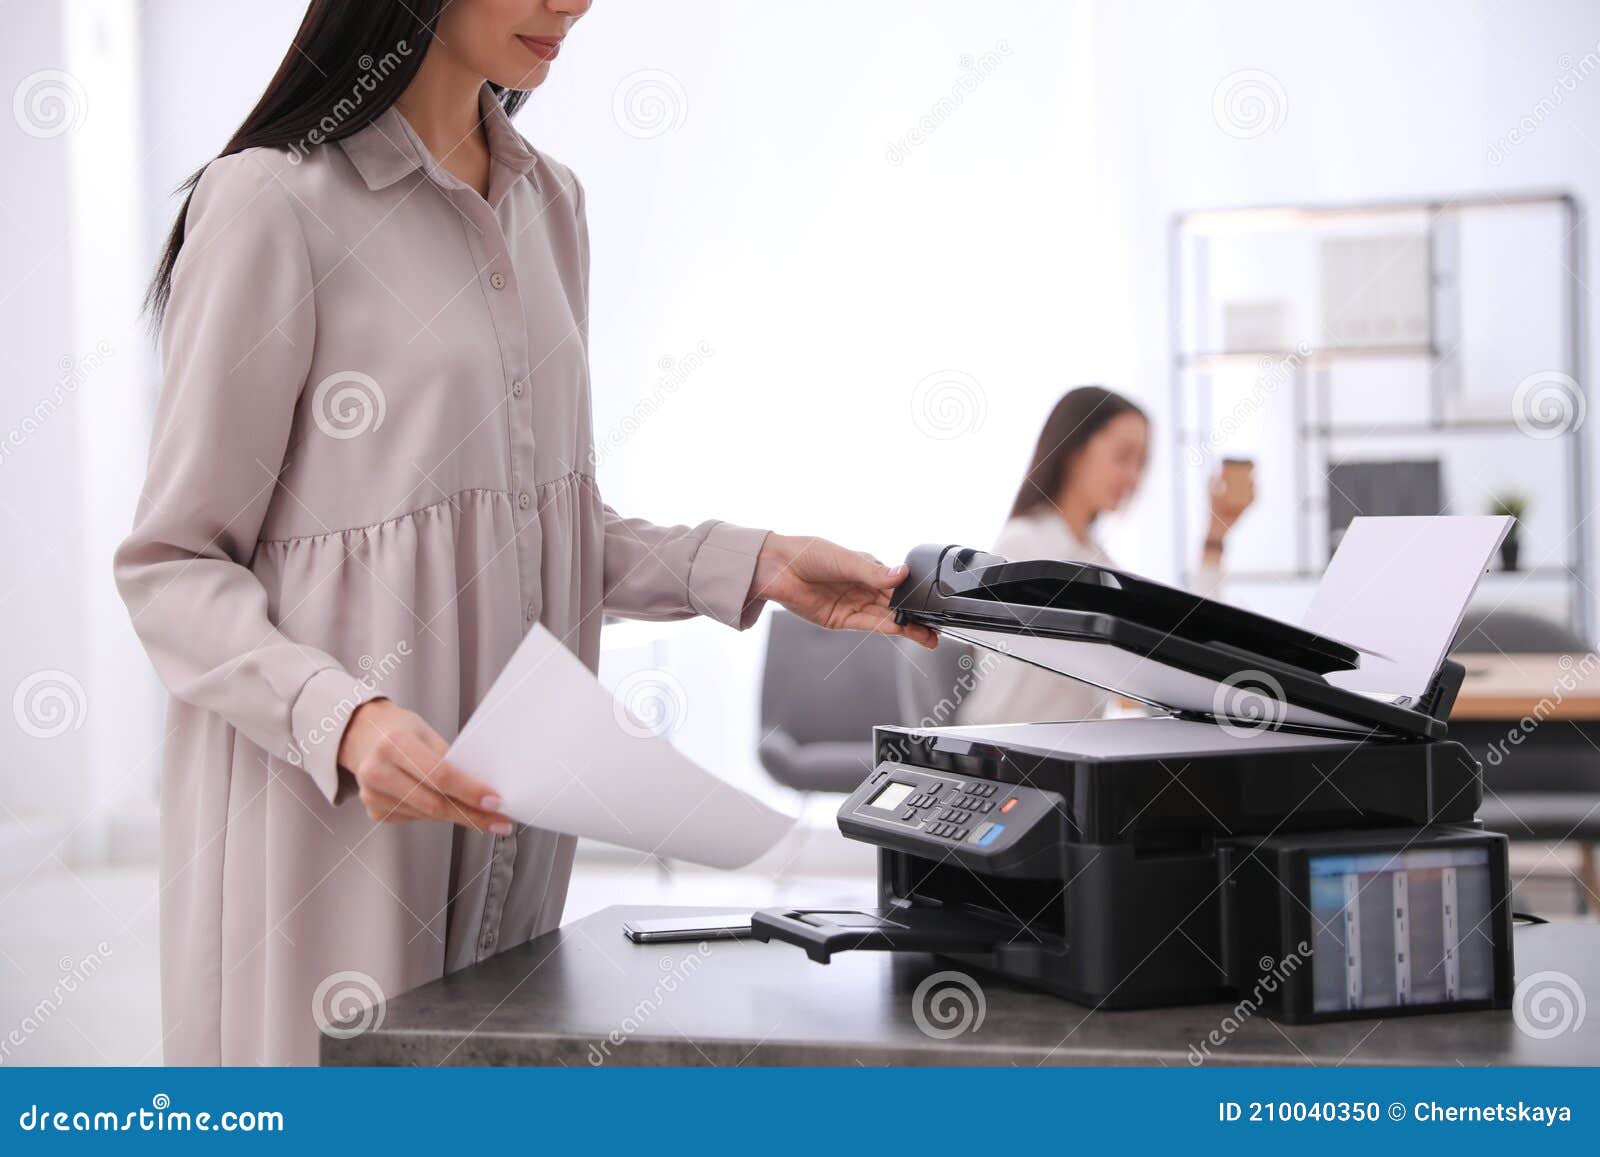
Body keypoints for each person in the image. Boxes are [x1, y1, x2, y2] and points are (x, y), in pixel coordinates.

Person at [114, 0, 934, 1065]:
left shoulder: (552, 206)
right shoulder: (274, 201)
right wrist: (347, 719)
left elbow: (539, 523)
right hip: (328, 830)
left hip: (509, 824)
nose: (572, 4)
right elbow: (173, 565)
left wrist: (762, 562)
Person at [956, 386, 1253, 726]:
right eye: (1123, 457)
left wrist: (1215, 539)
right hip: (1007, 755)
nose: (1133, 477)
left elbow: (1182, 643)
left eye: (1140, 463)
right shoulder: (1026, 546)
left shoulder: (1093, 557)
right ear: (1075, 451)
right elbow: (1152, 661)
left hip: (1060, 755)